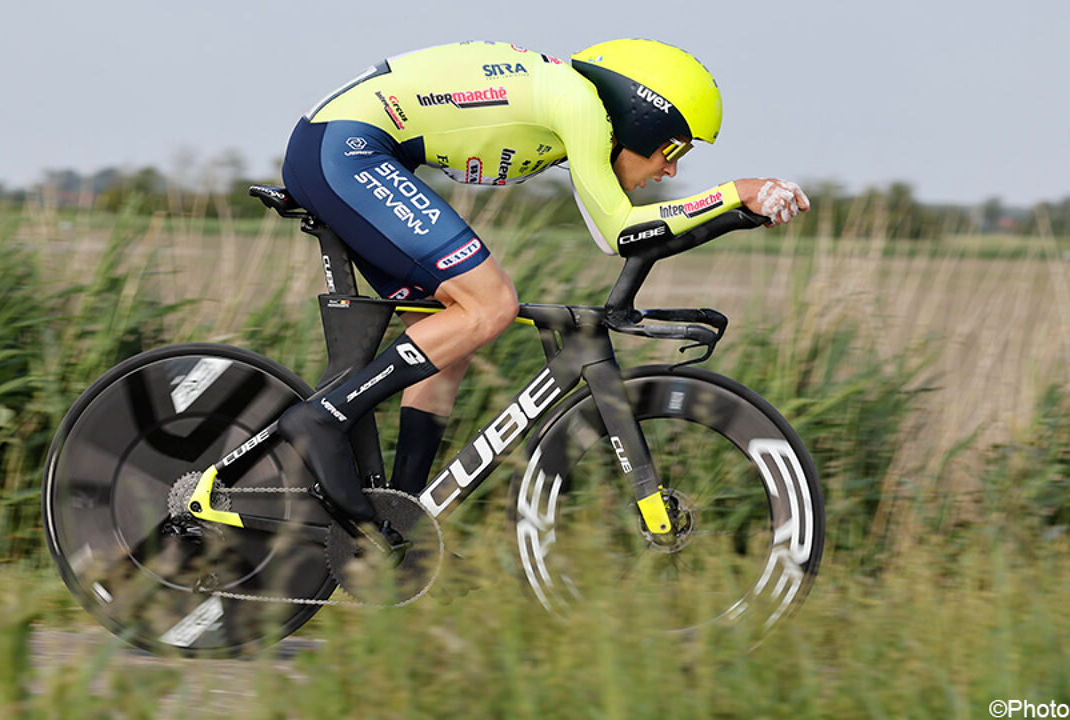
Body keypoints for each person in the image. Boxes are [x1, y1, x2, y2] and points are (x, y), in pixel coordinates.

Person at [277, 39, 811, 523]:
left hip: (341, 149)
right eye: (673, 149)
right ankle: (323, 418)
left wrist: (734, 215)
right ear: (642, 118)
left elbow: (625, 232)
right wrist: (733, 193)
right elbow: (618, 232)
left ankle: (400, 517)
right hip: (345, 150)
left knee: (451, 335)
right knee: (491, 305)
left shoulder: (573, 106)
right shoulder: (580, 105)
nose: (670, 170)